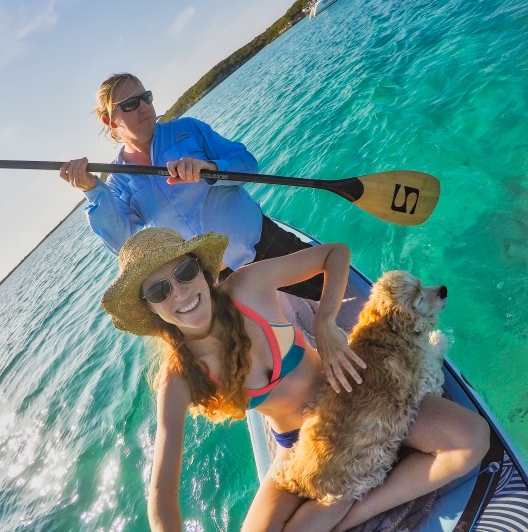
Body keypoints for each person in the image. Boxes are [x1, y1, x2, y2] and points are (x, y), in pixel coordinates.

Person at [100, 227, 490, 532]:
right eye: (158, 289)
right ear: (151, 310)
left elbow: (335, 254)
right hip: (298, 449)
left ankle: (349, 512)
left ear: (201, 270)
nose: (180, 292)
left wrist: (324, 324)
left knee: (471, 441)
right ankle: (344, 497)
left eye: (184, 272)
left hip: (357, 400)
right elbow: (163, 490)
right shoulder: (179, 377)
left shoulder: (247, 288)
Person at [60, 72, 323, 300]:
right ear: (109, 120)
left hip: (265, 243)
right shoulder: (118, 182)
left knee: (341, 294)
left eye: (146, 98)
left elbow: (247, 163)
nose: (143, 107)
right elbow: (125, 245)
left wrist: (211, 169)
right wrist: (93, 190)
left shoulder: (189, 129)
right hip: (215, 283)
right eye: (130, 104)